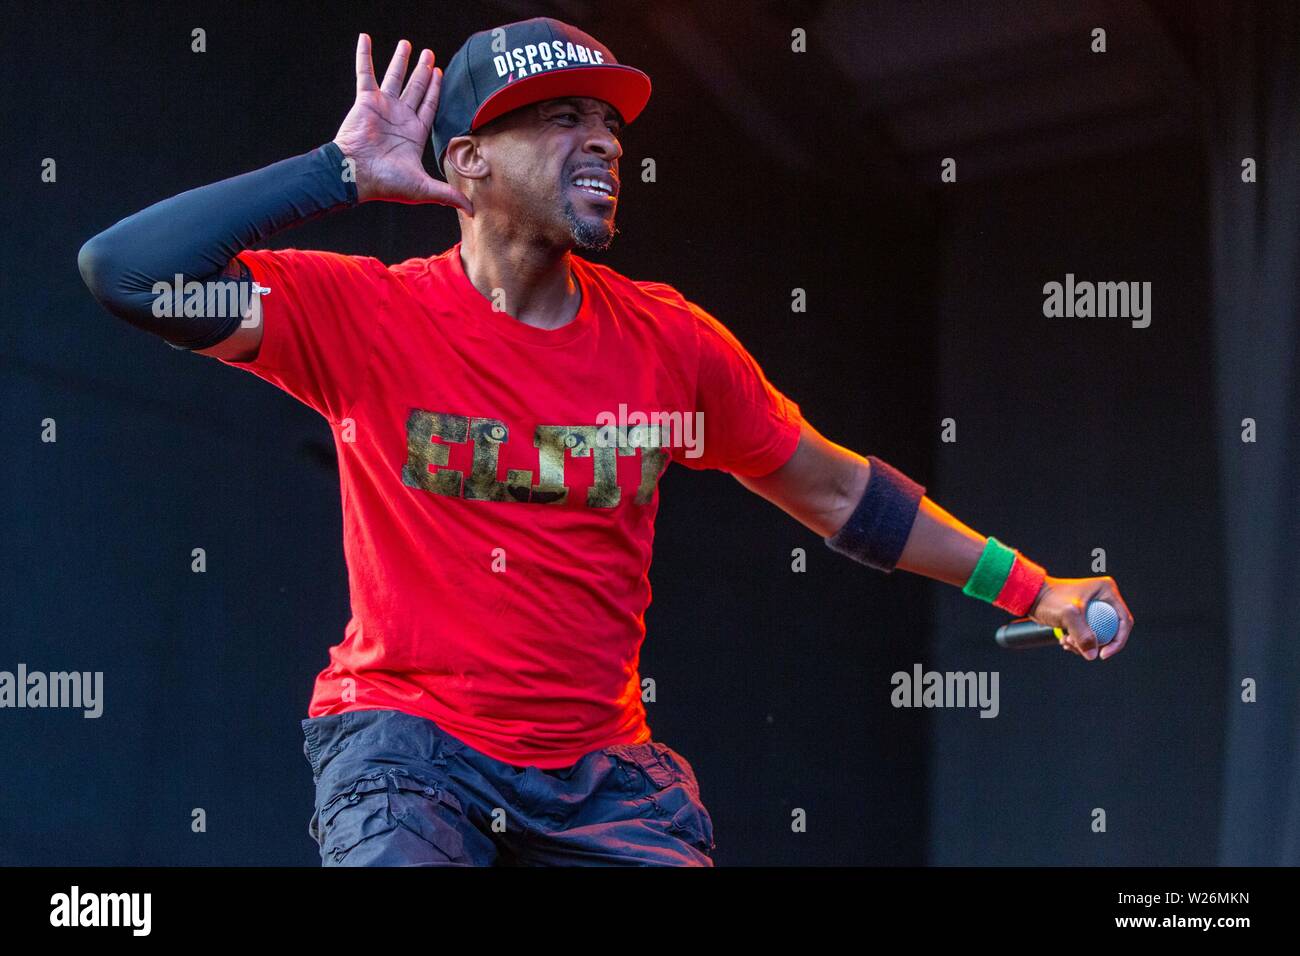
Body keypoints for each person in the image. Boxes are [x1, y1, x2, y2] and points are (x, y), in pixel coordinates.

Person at [76, 17, 1135, 867]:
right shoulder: (363, 315)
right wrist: (333, 172)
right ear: (467, 161)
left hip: (601, 778)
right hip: (409, 749)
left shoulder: (670, 344)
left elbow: (839, 494)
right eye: (557, 118)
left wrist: (1030, 586)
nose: (604, 140)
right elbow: (124, 270)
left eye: (610, 123)